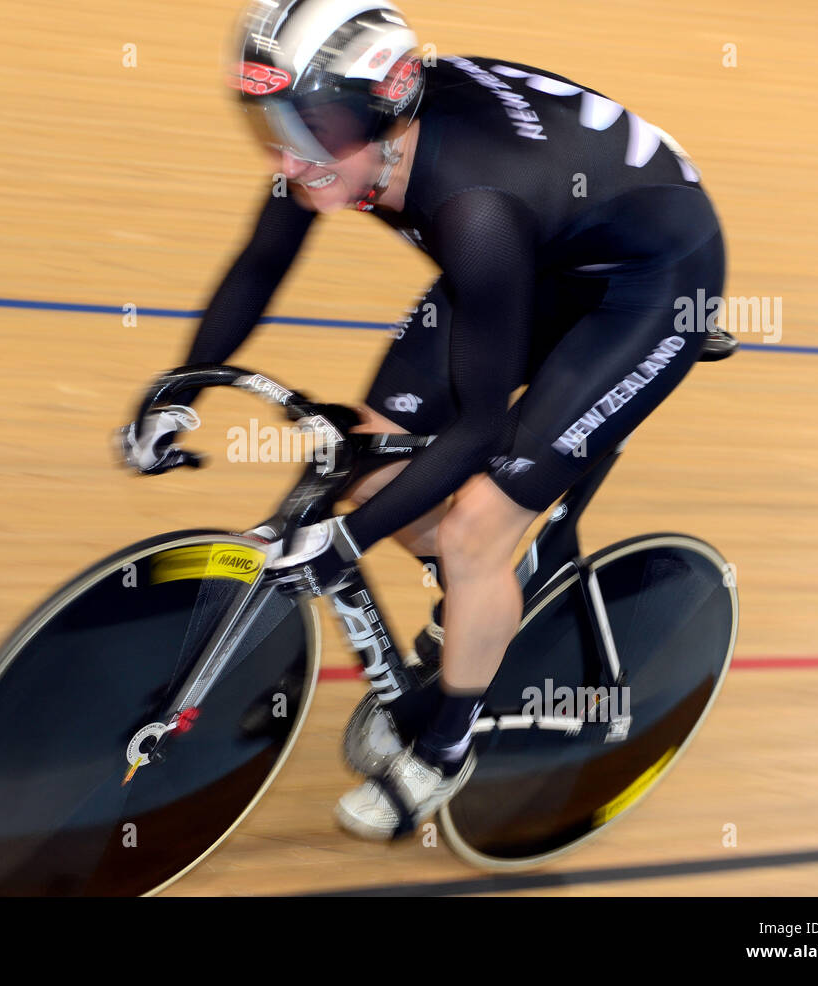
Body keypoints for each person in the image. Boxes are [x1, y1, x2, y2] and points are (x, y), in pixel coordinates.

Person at [121, 0, 727, 841]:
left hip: (648, 287)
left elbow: (477, 432)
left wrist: (351, 541)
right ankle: (475, 616)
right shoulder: (335, 145)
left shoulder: (471, 205)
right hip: (542, 243)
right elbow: (261, 262)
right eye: (272, 120)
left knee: (479, 523)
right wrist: (180, 386)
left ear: (390, 110)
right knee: (370, 458)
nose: (290, 151)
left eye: (312, 125)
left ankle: (444, 750)